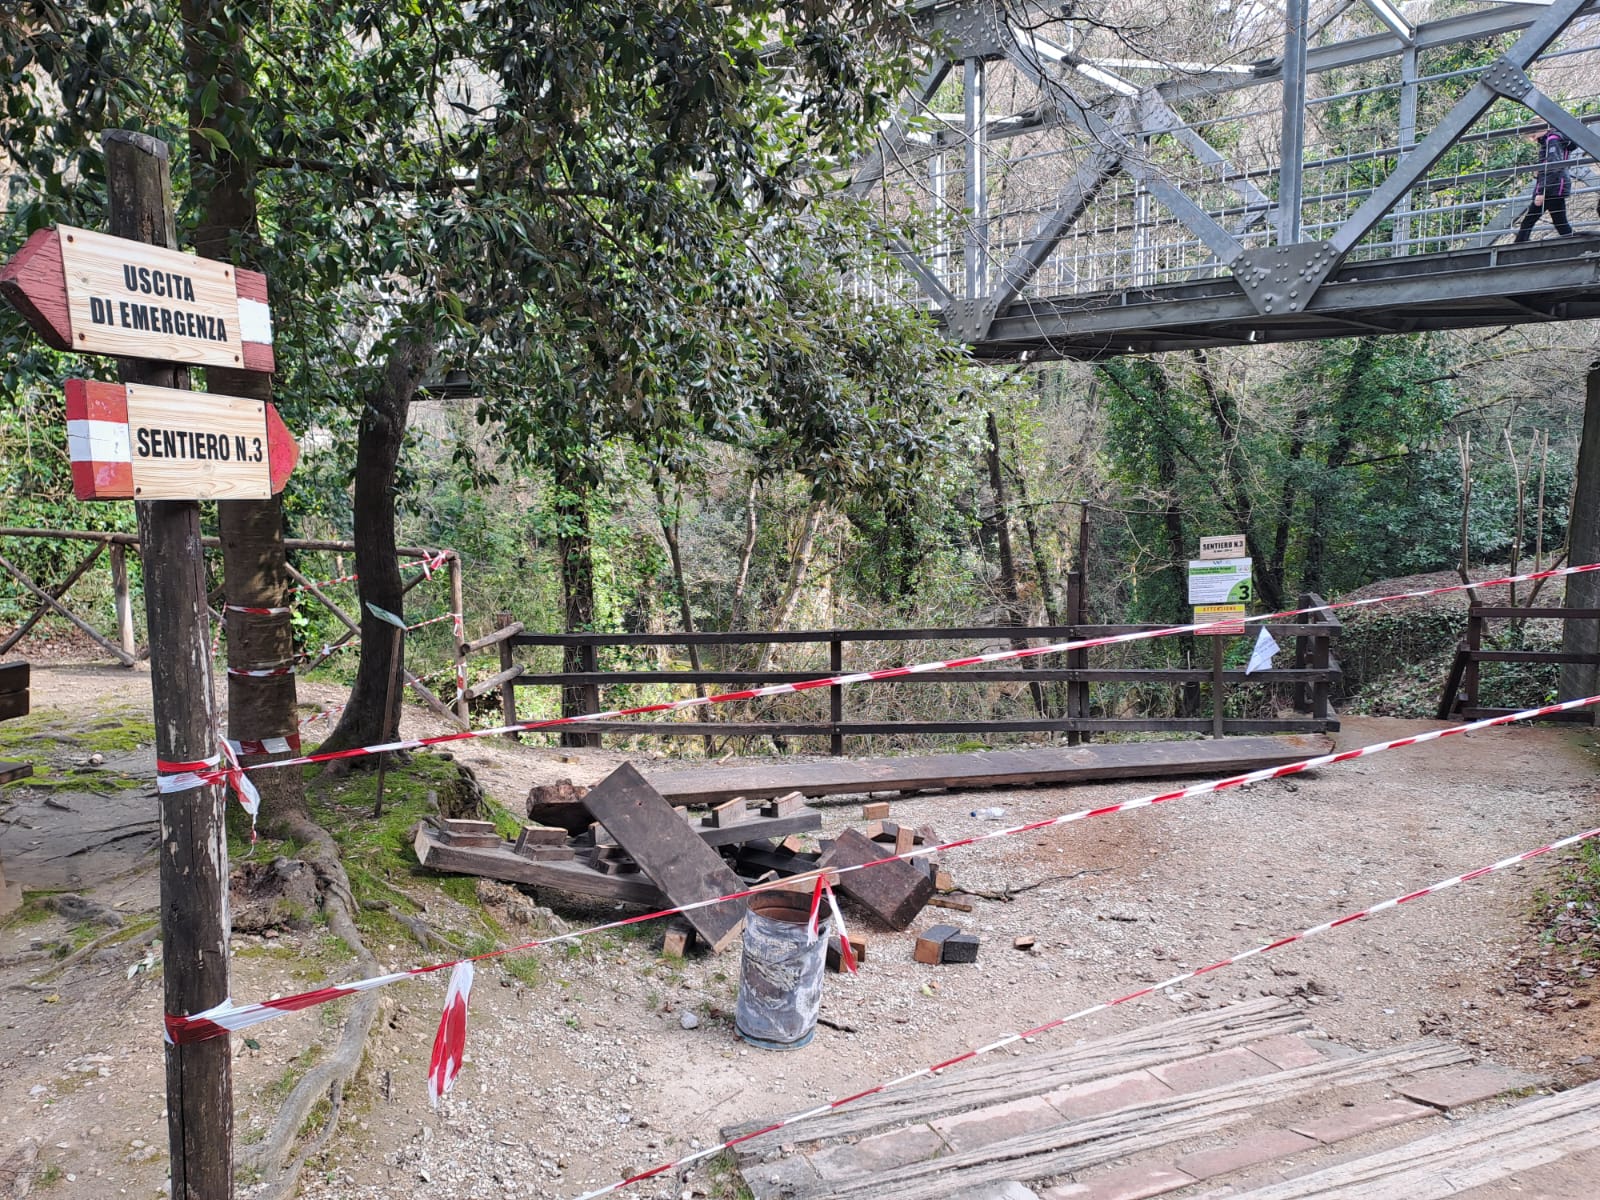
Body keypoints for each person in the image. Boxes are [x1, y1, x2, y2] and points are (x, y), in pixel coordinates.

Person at [1515, 123, 1578, 241]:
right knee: (1560, 223)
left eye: (1533, 135)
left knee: (1529, 221)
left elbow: (1553, 167)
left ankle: (1517, 248)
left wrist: (1542, 191)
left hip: (1552, 188)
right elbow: (1552, 165)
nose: (1532, 139)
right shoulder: (1554, 140)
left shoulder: (1552, 141)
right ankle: (1577, 243)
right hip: (1556, 186)